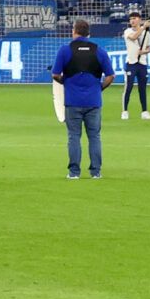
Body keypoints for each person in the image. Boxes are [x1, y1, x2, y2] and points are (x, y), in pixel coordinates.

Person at [51, 18, 111, 179]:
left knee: (74, 136)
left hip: (73, 101)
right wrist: (99, 88)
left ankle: (74, 172)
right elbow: (111, 76)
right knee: (94, 137)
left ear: (74, 31)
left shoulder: (65, 50)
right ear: (88, 32)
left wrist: (66, 82)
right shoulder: (99, 50)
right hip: (93, 101)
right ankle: (96, 172)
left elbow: (55, 74)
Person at [121, 12, 150, 121]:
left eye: (134, 18)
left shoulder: (147, 33)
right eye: (131, 19)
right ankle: (125, 111)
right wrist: (144, 27)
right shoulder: (127, 31)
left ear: (139, 19)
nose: (132, 21)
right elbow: (134, 37)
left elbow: (149, 48)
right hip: (131, 63)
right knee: (128, 87)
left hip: (142, 64)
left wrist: (143, 52)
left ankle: (144, 111)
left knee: (142, 88)